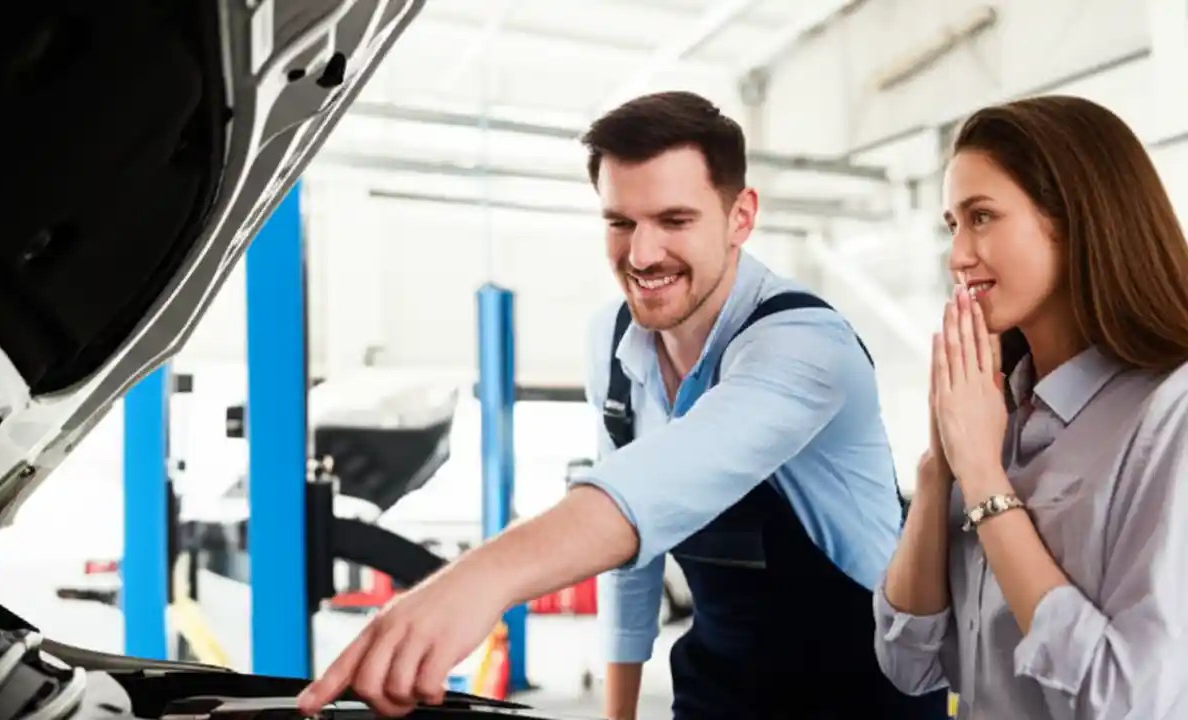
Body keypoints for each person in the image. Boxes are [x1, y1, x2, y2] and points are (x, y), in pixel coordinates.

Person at [296, 91, 946, 719]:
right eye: (620, 222)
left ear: (741, 216)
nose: (641, 254)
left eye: (674, 220)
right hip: (718, 685)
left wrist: (483, 579)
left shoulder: (806, 346)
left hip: (862, 687)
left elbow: (669, 476)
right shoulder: (613, 342)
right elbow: (630, 552)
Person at [874, 94, 1188, 720]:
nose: (957, 255)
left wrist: (988, 484)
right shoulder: (993, 413)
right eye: (951, 225)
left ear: (1077, 221)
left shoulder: (1170, 415)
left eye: (982, 216)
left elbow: (1130, 701)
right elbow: (908, 664)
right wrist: (942, 466)